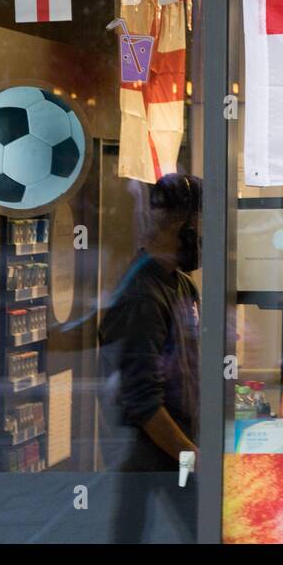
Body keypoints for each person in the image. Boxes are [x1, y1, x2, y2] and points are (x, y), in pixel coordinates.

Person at [100, 173, 202, 542]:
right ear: (180, 223)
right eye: (203, 225)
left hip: (175, 452)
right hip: (153, 453)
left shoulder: (181, 284)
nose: (206, 238)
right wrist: (193, 458)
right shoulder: (143, 295)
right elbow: (143, 401)